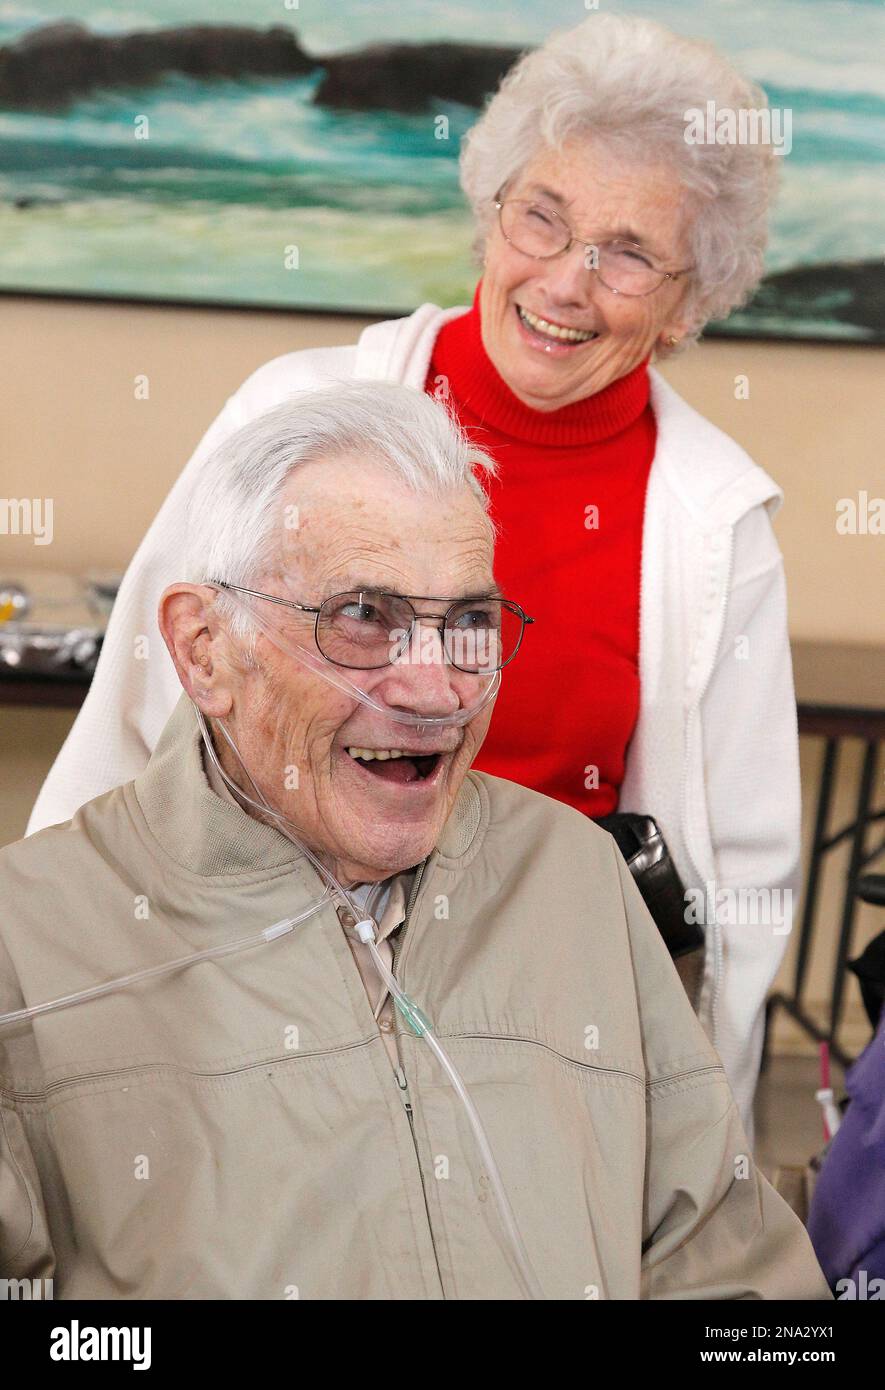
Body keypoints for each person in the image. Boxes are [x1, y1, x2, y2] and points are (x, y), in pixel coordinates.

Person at [26, 13, 799, 1137]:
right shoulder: (290, 415)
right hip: (254, 971)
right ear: (491, 214)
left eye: (630, 253)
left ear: (689, 305)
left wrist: (685, 1144)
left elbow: (740, 871)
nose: (569, 282)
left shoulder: (717, 521)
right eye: (544, 217)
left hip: (541, 1004)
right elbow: (135, 716)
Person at [1, 385, 827, 1299]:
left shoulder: (572, 879)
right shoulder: (34, 936)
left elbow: (736, 1277)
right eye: (362, 618)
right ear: (203, 650)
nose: (438, 693)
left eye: (469, 623)